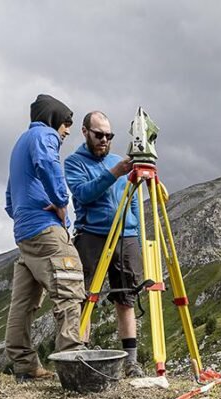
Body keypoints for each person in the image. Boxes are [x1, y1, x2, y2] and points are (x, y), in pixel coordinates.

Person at [4, 94, 87, 382]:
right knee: (69, 289)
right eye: (66, 123)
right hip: (47, 231)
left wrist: (24, 218)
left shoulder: (19, 144)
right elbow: (47, 165)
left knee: (23, 302)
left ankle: (24, 366)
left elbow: (8, 200)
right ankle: (72, 362)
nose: (66, 131)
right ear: (54, 117)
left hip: (25, 233)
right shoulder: (44, 135)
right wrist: (62, 201)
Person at [64, 111, 146, 378]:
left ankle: (131, 363)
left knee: (126, 298)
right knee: (86, 298)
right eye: (99, 135)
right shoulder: (74, 163)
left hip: (126, 236)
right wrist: (113, 173)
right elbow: (84, 194)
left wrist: (133, 225)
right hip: (92, 235)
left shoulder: (117, 162)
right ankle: (82, 357)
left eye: (108, 136)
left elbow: (131, 197)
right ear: (85, 132)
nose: (104, 140)